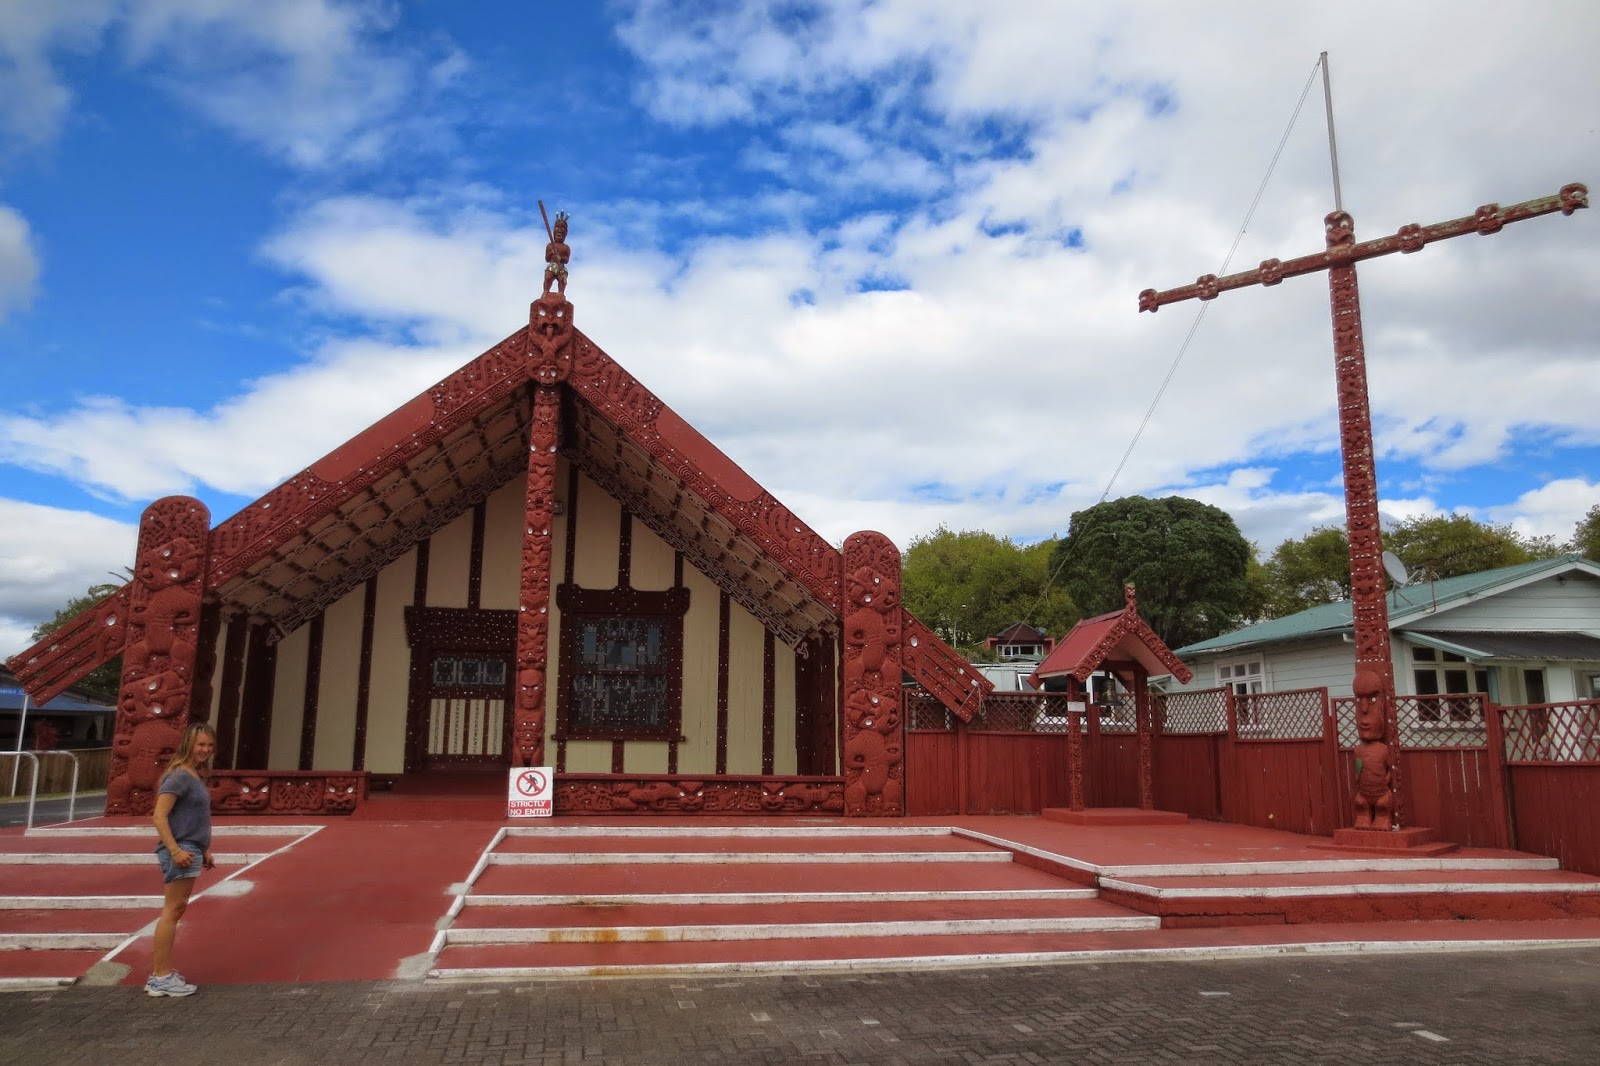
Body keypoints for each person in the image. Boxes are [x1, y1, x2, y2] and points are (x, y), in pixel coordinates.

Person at [147, 722, 216, 997]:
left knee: (177, 909)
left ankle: (161, 973)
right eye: (201, 744)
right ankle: (160, 977)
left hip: (191, 847)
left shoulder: (194, 775)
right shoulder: (178, 776)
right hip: (180, 849)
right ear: (188, 744)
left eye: (209, 745)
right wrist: (175, 850)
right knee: (173, 910)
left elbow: (193, 817)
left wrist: (204, 849)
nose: (205, 750)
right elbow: (159, 816)